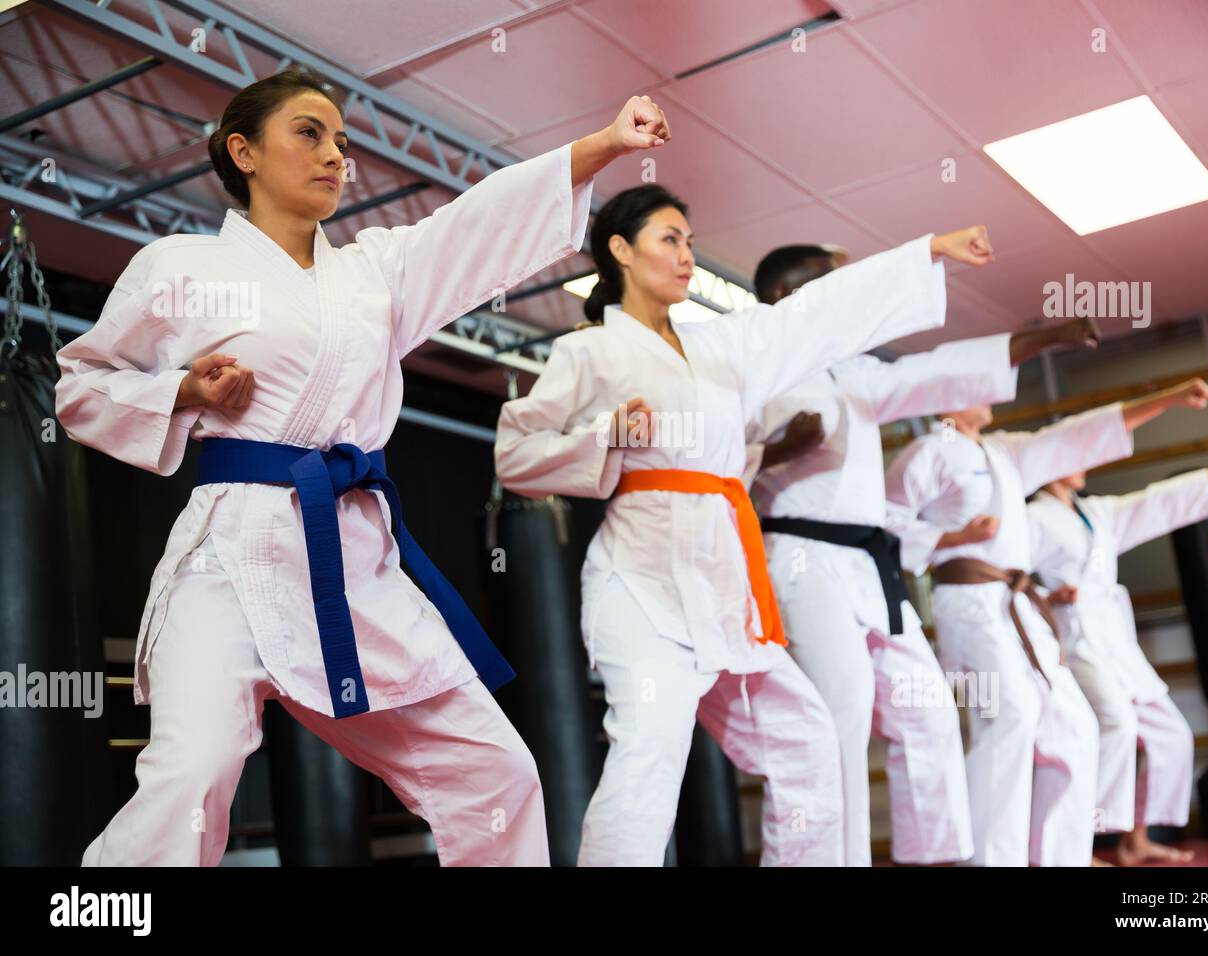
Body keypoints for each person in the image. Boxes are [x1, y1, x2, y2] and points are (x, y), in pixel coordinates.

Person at [55, 66, 671, 866]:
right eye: (308, 134)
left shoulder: (374, 274)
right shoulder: (180, 269)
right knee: (191, 778)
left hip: (350, 569)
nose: (335, 155)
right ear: (241, 151)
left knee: (496, 774)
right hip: (228, 558)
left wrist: (599, 148)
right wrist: (179, 389)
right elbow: (83, 387)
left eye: (342, 141)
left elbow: (473, 225)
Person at [495, 180, 995, 865]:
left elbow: (814, 312)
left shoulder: (723, 345)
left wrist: (925, 253)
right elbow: (516, 454)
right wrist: (606, 436)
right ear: (621, 251)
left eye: (690, 242)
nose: (686, 256)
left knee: (807, 741)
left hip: (724, 587)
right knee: (651, 752)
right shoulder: (588, 353)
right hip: (641, 585)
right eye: (669, 239)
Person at [744, 241, 1102, 864]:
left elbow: (930, 374)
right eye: (830, 282)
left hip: (868, 565)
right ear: (785, 296)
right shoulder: (753, 365)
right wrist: (774, 452)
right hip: (802, 557)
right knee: (843, 719)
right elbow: (709, 463)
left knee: (929, 711)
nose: (846, 292)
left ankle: (933, 858)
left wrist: (1032, 342)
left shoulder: (855, 374)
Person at [884, 378, 1208, 865]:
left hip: (1015, 605)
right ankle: (991, 861)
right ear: (947, 399)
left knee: (1077, 725)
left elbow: (1076, 437)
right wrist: (950, 538)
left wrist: (1165, 401)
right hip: (967, 603)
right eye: (976, 381)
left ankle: (1061, 857)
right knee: (1008, 717)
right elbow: (884, 528)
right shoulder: (926, 453)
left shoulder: (1004, 453)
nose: (992, 389)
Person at [1029, 452, 1208, 865]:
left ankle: (1136, 839)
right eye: (1072, 452)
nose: (1083, 461)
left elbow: (1161, 500)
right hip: (1076, 643)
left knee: (1173, 736)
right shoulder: (1033, 518)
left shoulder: (1096, 512)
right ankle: (1075, 847)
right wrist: (1048, 597)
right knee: (1116, 724)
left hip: (1117, 642)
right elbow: (1007, 577)